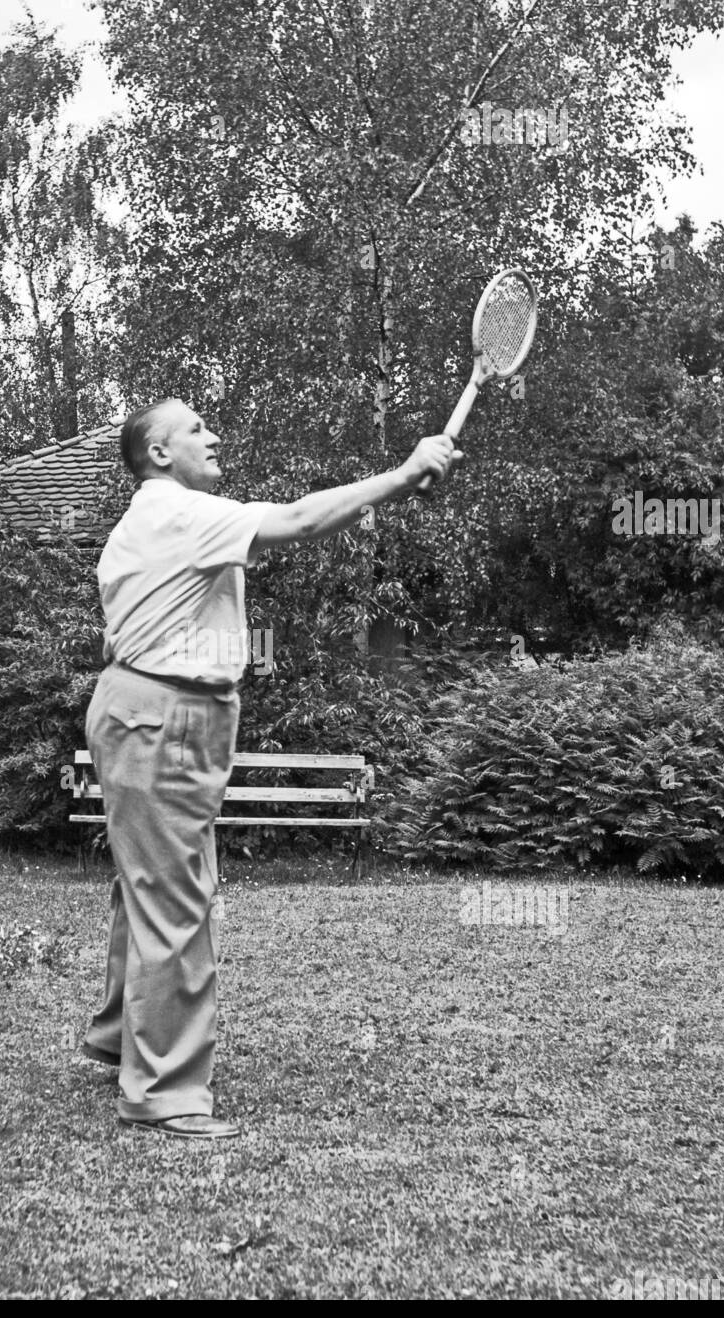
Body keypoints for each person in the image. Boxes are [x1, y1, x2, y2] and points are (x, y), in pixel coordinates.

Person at [82, 397, 461, 1138]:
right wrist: (403, 471)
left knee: (151, 885)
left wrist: (402, 481)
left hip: (150, 711)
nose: (212, 434)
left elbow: (286, 529)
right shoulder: (176, 512)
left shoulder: (158, 518)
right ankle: (162, 1091)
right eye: (194, 428)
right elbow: (301, 520)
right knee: (177, 898)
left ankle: (120, 1035)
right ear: (159, 454)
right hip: (166, 715)